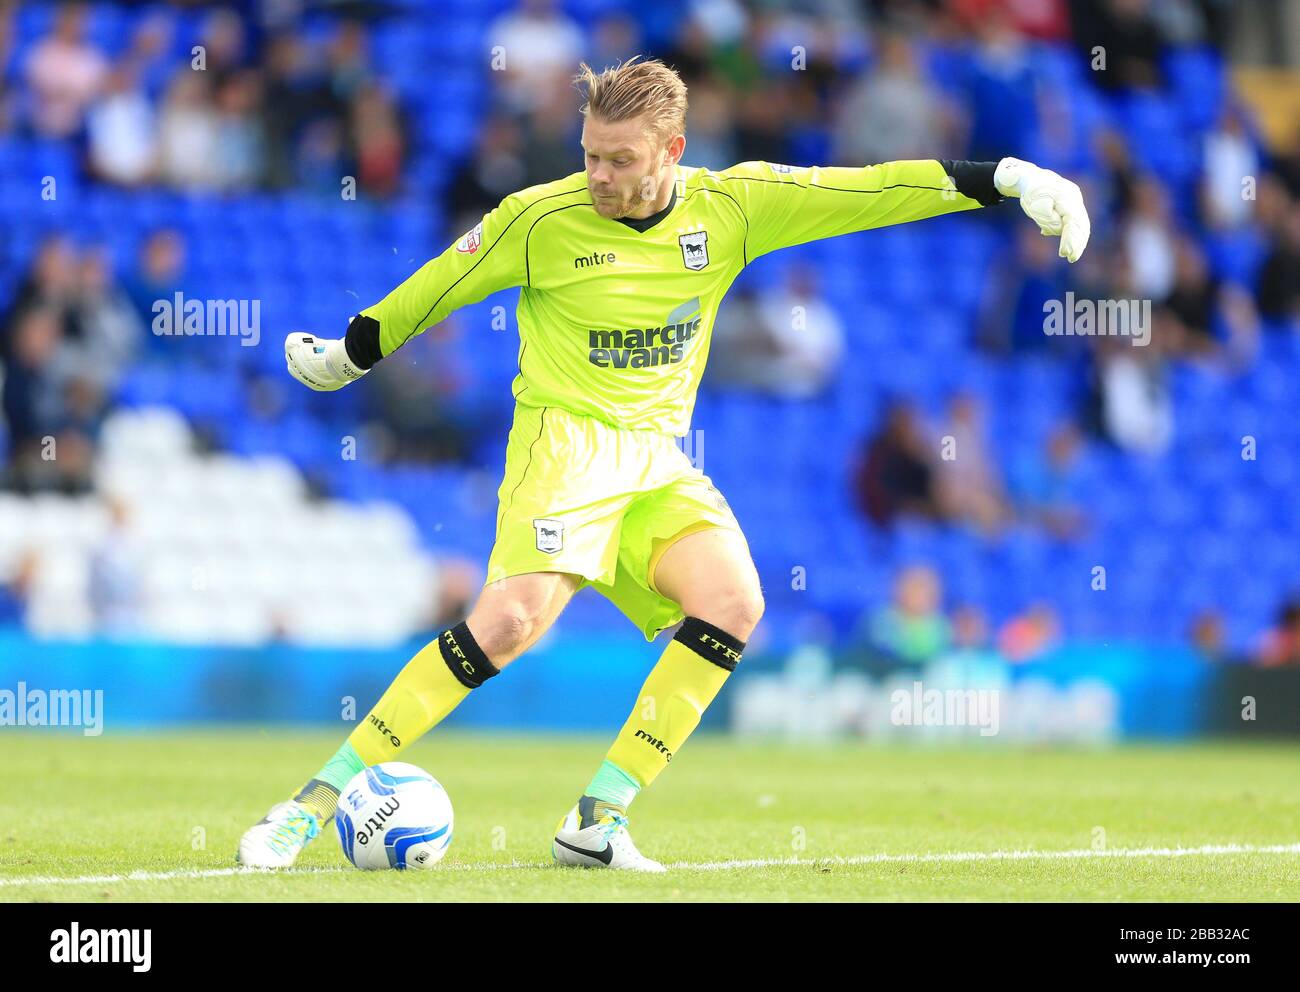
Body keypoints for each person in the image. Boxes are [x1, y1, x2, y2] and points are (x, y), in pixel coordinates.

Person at [245, 56, 1090, 872]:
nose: (599, 177)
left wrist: (1009, 178)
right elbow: (437, 286)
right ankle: (308, 808)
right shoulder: (538, 221)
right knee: (509, 623)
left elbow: (868, 192)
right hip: (566, 444)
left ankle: (598, 819)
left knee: (733, 602)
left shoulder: (734, 208)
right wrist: (351, 353)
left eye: (620, 160)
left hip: (655, 459)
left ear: (673, 151)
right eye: (589, 156)